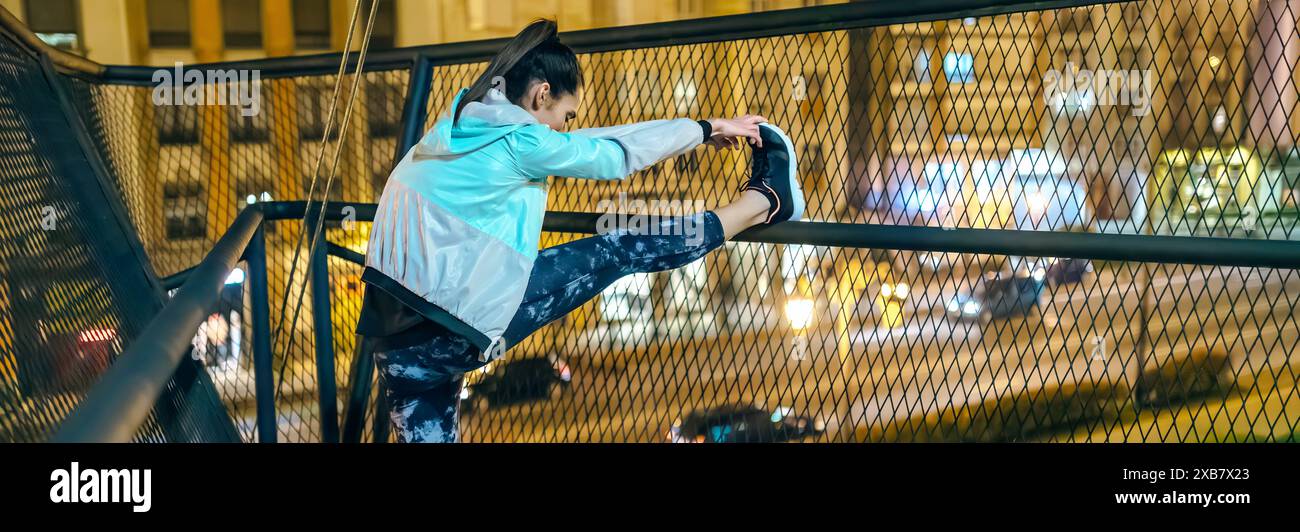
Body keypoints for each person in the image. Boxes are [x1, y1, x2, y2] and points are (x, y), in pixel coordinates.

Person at [355, 19, 805, 443]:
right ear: (541, 94)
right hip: (449, 326)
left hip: (393, 348)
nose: (566, 128)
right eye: (567, 115)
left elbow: (587, 142)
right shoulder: (516, 140)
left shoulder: (457, 128)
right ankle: (763, 203)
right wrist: (706, 127)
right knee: (617, 249)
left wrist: (697, 135)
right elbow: (612, 155)